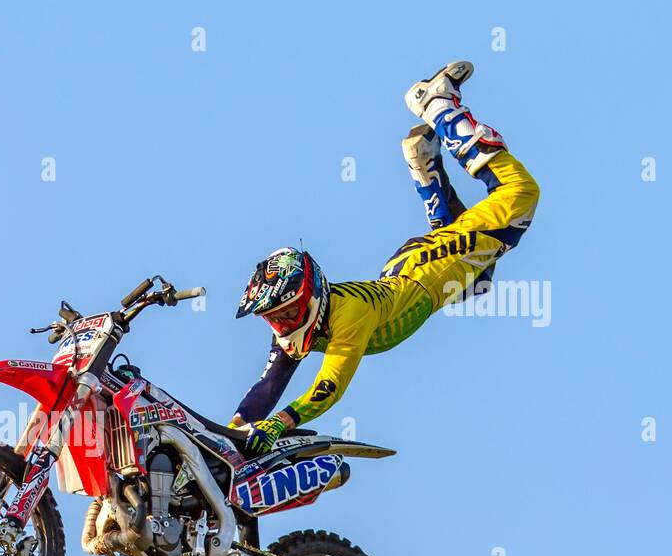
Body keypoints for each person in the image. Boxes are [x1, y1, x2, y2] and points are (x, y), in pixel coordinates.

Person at [229, 61, 540, 456]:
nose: (282, 325)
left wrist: (279, 423)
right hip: (413, 275)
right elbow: (267, 387)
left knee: (520, 195)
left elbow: (329, 387)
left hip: (427, 270)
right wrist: (227, 434)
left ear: (311, 297)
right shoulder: (301, 326)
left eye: (286, 314)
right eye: (274, 318)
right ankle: (423, 161)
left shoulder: (347, 317)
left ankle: (439, 104)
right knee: (478, 280)